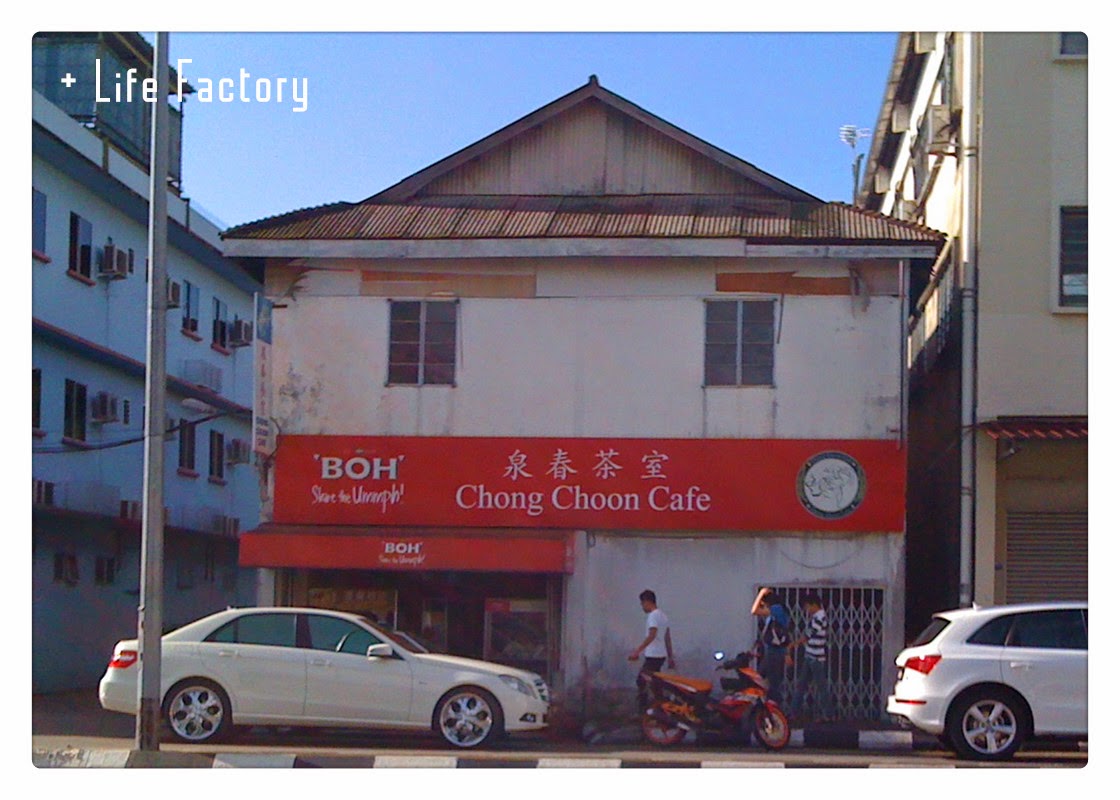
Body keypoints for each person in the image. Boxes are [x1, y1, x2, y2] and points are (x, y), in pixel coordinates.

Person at [790, 592, 836, 722]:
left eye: (807, 606)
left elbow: (807, 635)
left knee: (820, 687)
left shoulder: (819, 618)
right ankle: (794, 712)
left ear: (814, 605)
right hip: (811, 656)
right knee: (802, 686)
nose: (807, 610)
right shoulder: (819, 617)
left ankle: (828, 715)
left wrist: (793, 645)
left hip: (816, 658)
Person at [627, 589, 675, 713]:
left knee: (641, 680)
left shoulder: (653, 616)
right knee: (654, 682)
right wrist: (670, 657)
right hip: (661, 655)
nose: (642, 607)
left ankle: (645, 712)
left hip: (653, 655)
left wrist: (637, 651)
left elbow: (652, 635)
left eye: (642, 604)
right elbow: (667, 638)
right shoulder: (663, 616)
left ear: (647, 602)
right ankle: (659, 707)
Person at [750, 587, 791, 705]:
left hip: (775, 652)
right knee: (766, 680)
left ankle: (773, 710)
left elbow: (754, 611)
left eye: (763, 602)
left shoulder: (777, 609)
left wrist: (761, 593)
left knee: (769, 682)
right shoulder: (776, 613)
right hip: (773, 651)